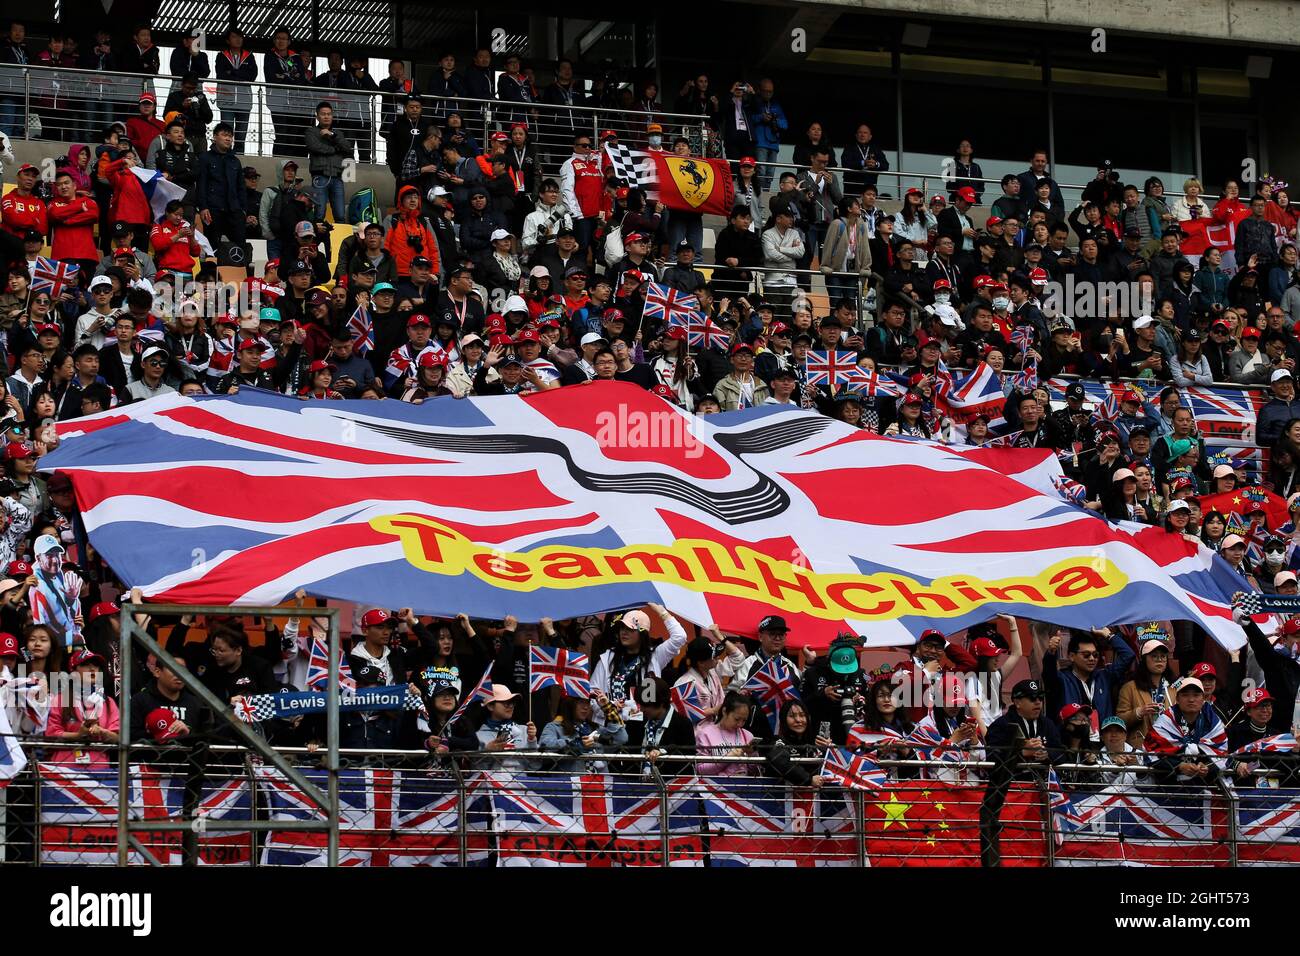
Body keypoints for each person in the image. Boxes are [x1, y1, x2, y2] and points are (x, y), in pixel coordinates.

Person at [981, 678, 1064, 866]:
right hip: (1009, 795)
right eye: (1032, 698)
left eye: (1040, 698)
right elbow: (991, 757)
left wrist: (1046, 754)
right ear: (1017, 702)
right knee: (1012, 839)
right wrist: (1021, 752)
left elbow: (1063, 753)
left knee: (1041, 841)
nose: (1038, 702)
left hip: (1041, 795)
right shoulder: (1002, 725)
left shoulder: (1048, 724)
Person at [1041, 626, 1135, 735]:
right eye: (1086, 655)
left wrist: (1109, 635)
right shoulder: (1062, 679)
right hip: (1071, 743)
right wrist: (1051, 653)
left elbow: (1128, 655)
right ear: (1071, 656)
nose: (1092, 659)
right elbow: (1048, 673)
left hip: (1101, 743)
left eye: (1095, 655)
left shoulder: (1105, 676)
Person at [1145, 677, 1227, 786]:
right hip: (1168, 788)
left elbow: (1221, 752)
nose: (1191, 700)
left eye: (1196, 695)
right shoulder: (1165, 721)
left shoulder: (1212, 720)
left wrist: (1207, 766)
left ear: (1203, 699)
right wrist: (1179, 766)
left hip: (1203, 787)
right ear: (1177, 699)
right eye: (1185, 695)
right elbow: (1150, 753)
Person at [539, 695, 628, 773]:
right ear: (569, 704)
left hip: (600, 785)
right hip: (571, 787)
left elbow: (621, 738)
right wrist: (576, 745)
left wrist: (608, 708)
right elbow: (544, 747)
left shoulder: (595, 728)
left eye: (588, 702)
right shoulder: (554, 727)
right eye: (581, 702)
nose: (586, 707)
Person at [471, 683, 538, 772]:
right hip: (491, 784)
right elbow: (476, 771)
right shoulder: (477, 736)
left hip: (521, 783)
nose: (511, 706)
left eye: (512, 703)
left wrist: (531, 741)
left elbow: (535, 767)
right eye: (505, 703)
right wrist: (487, 752)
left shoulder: (525, 730)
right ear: (490, 706)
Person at [763, 699, 830, 787]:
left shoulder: (816, 744)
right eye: (792, 716)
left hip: (815, 798)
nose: (798, 720)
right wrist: (808, 779)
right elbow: (780, 761)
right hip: (781, 797)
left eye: (802, 715)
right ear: (783, 719)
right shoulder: (777, 741)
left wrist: (828, 751)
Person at [695, 691, 756, 776]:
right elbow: (700, 769)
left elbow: (754, 771)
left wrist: (752, 755)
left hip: (742, 786)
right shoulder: (705, 733)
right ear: (724, 711)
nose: (740, 724)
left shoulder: (747, 735)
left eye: (744, 720)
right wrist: (726, 759)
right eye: (737, 719)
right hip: (715, 786)